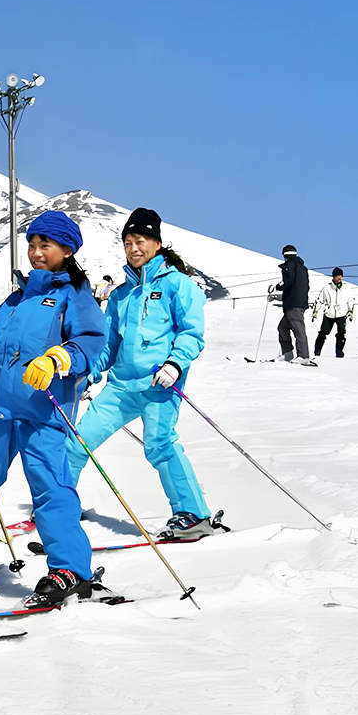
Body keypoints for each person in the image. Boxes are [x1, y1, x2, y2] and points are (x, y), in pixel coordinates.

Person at [0, 210, 107, 607]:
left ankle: (70, 569)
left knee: (50, 488)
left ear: (67, 249)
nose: (35, 252)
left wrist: (58, 359)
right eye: (31, 244)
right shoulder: (16, 298)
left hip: (44, 413)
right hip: (2, 411)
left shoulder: (73, 295)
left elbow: (91, 342)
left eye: (44, 244)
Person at [69, 207, 221, 540]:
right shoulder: (121, 294)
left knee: (160, 445)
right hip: (121, 386)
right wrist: (88, 375)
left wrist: (175, 364)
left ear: (155, 242)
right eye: (128, 242)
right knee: (79, 441)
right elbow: (109, 346)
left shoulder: (178, 285)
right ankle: (60, 505)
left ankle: (193, 514)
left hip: (159, 384)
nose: (134, 248)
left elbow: (191, 333)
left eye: (140, 241)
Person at [274, 245, 315, 366]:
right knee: (282, 327)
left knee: (298, 329)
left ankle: (303, 355)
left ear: (284, 255)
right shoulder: (303, 268)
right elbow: (306, 286)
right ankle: (287, 353)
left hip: (293, 304)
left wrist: (278, 287)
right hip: (298, 303)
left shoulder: (289, 266)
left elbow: (289, 281)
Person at [312, 267, 356, 358]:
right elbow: (320, 300)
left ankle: (339, 352)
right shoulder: (327, 288)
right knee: (322, 333)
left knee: (341, 334)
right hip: (329, 314)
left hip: (341, 314)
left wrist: (350, 310)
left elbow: (350, 300)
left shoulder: (346, 288)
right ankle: (317, 352)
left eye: (341, 276)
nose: (340, 278)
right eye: (337, 276)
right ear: (334, 277)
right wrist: (316, 311)